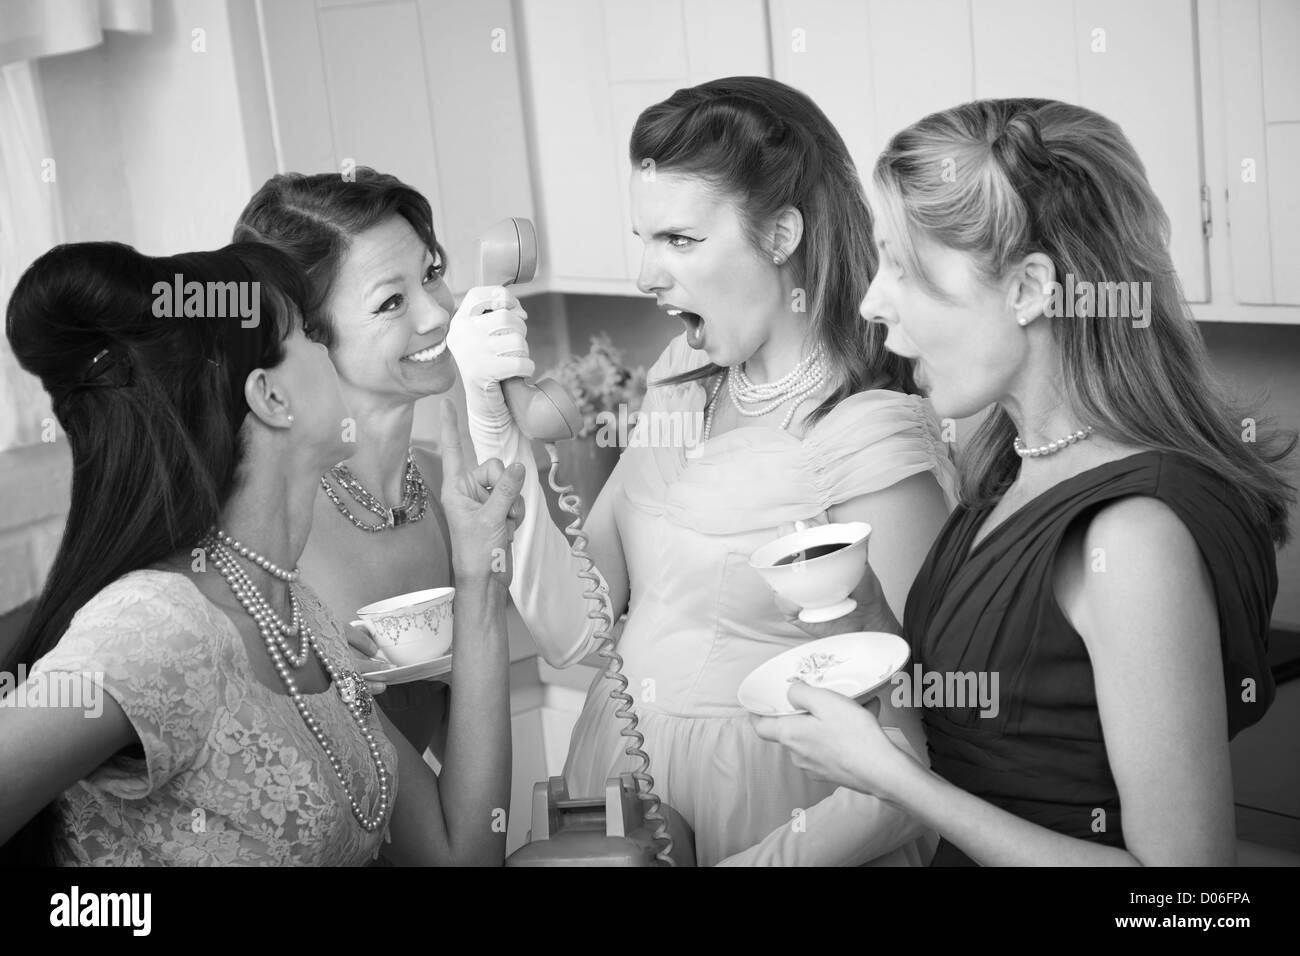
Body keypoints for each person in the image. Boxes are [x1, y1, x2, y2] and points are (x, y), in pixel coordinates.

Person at [756, 98, 1294, 865]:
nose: (873, 303)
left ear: (1031, 289)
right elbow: (998, 721)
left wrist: (893, 780)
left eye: (905, 268)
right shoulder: (1009, 465)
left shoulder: (1130, 534)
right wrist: (864, 610)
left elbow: (1185, 899)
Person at [450, 77, 959, 866]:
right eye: (643, 238)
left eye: (680, 241)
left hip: (776, 820)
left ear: (782, 233)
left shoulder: (873, 437)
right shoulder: (680, 381)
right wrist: (494, 425)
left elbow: (910, 765)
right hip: (619, 790)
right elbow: (572, 625)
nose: (648, 275)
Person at [0, 241, 524, 865]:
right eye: (309, 332)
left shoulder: (299, 619)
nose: (330, 346)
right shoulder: (161, 624)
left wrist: (478, 575)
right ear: (271, 398)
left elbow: (459, 856)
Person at [234, 170, 514, 758]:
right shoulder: (269, 534)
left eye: (431, 274)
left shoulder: (448, 490)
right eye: (391, 301)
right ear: (307, 335)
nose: (439, 314)